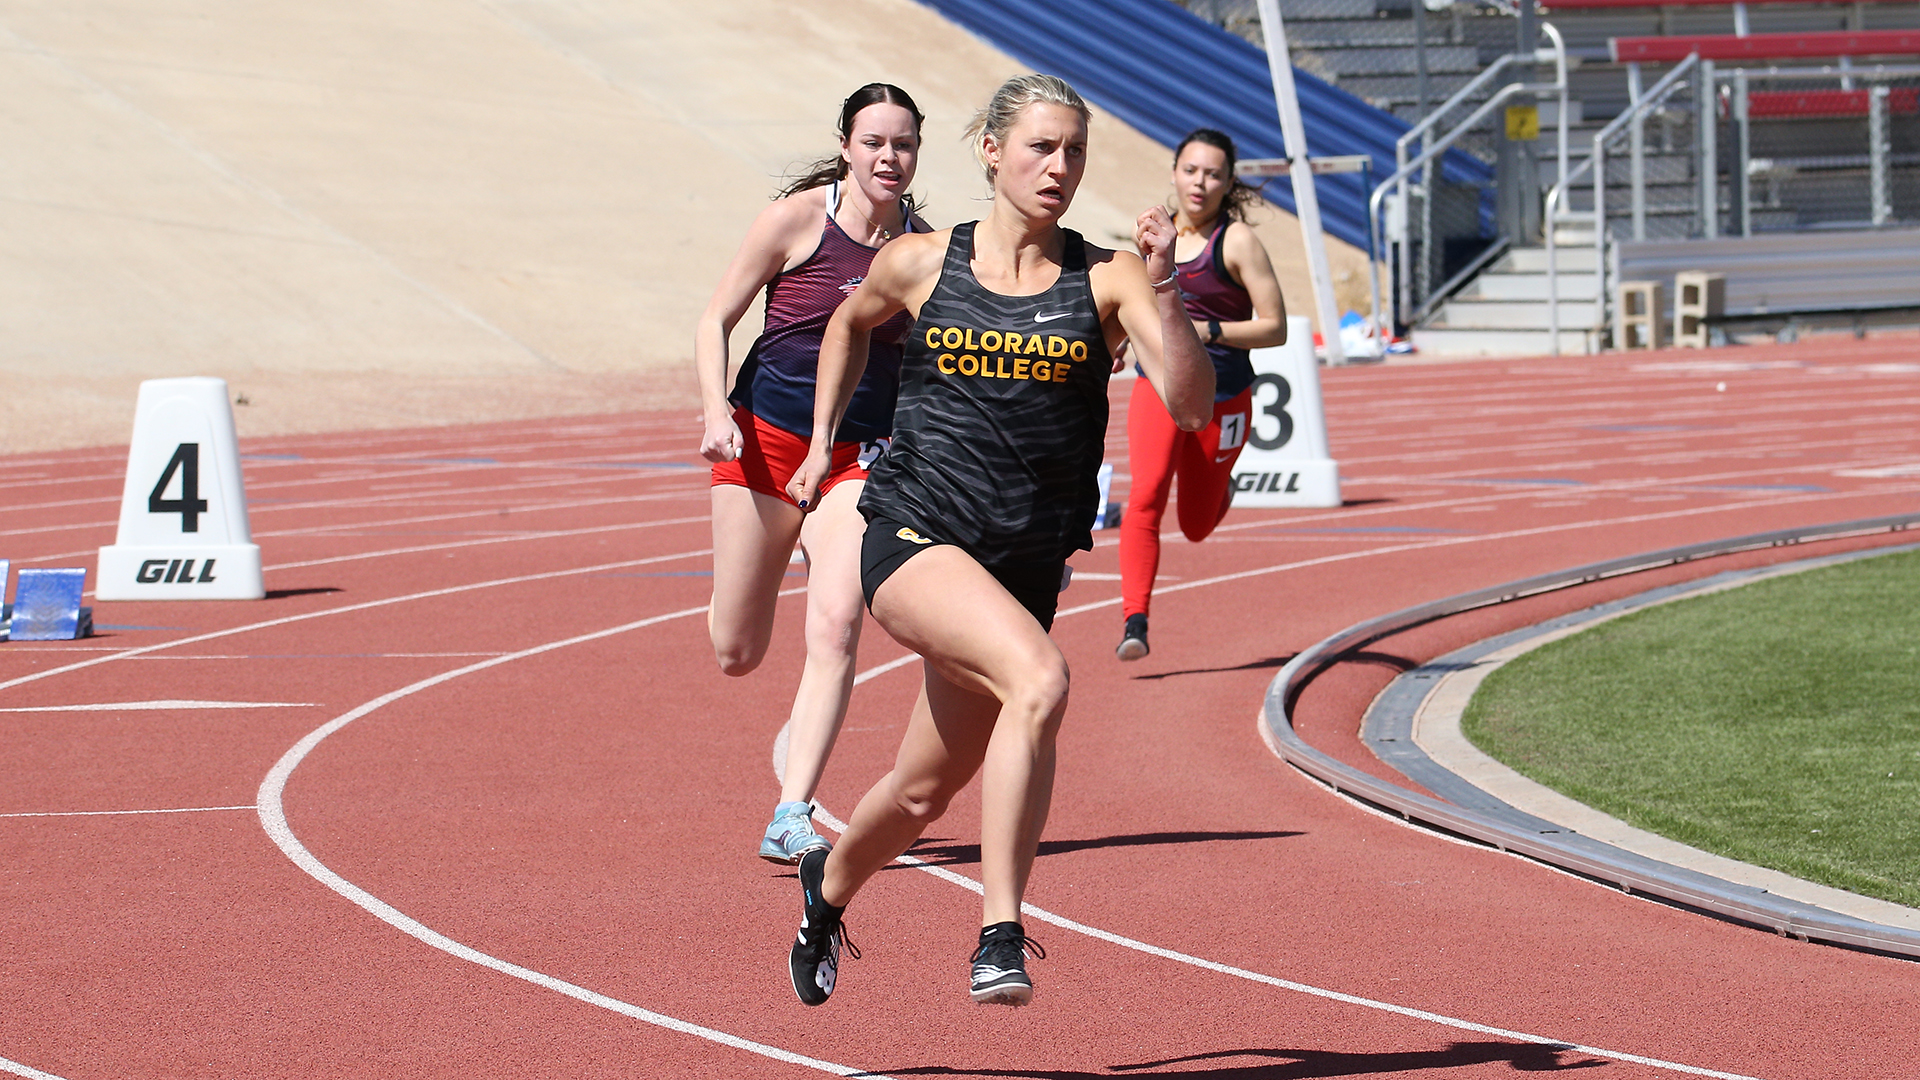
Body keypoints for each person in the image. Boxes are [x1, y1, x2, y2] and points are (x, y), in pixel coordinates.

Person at [783, 74, 1215, 1007]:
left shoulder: (1108, 278)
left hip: (1021, 567)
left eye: (1075, 152)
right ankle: (1000, 933)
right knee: (1042, 680)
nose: (1060, 167)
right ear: (992, 151)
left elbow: (1188, 402)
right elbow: (847, 327)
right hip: (913, 535)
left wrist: (1169, 285)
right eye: (1041, 148)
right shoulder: (922, 262)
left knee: (917, 793)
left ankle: (827, 889)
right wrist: (823, 444)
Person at [694, 83, 929, 864]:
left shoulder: (922, 250)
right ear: (846, 146)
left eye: (902, 144)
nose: (888, 157)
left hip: (856, 460)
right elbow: (713, 319)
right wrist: (714, 415)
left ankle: (790, 813)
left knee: (836, 623)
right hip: (761, 447)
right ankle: (767, 559)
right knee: (737, 650)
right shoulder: (797, 222)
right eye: (874, 143)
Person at [1115, 129, 1288, 662]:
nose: (1200, 182)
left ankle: (1221, 489)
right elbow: (1132, 301)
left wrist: (1208, 332)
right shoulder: (1154, 235)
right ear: (1174, 172)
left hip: (1225, 395)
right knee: (1145, 495)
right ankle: (1134, 621)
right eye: (1191, 170)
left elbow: (1275, 327)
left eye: (1213, 173)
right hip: (1159, 385)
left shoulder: (1235, 243)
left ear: (1228, 182)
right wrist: (1118, 342)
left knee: (1194, 525)